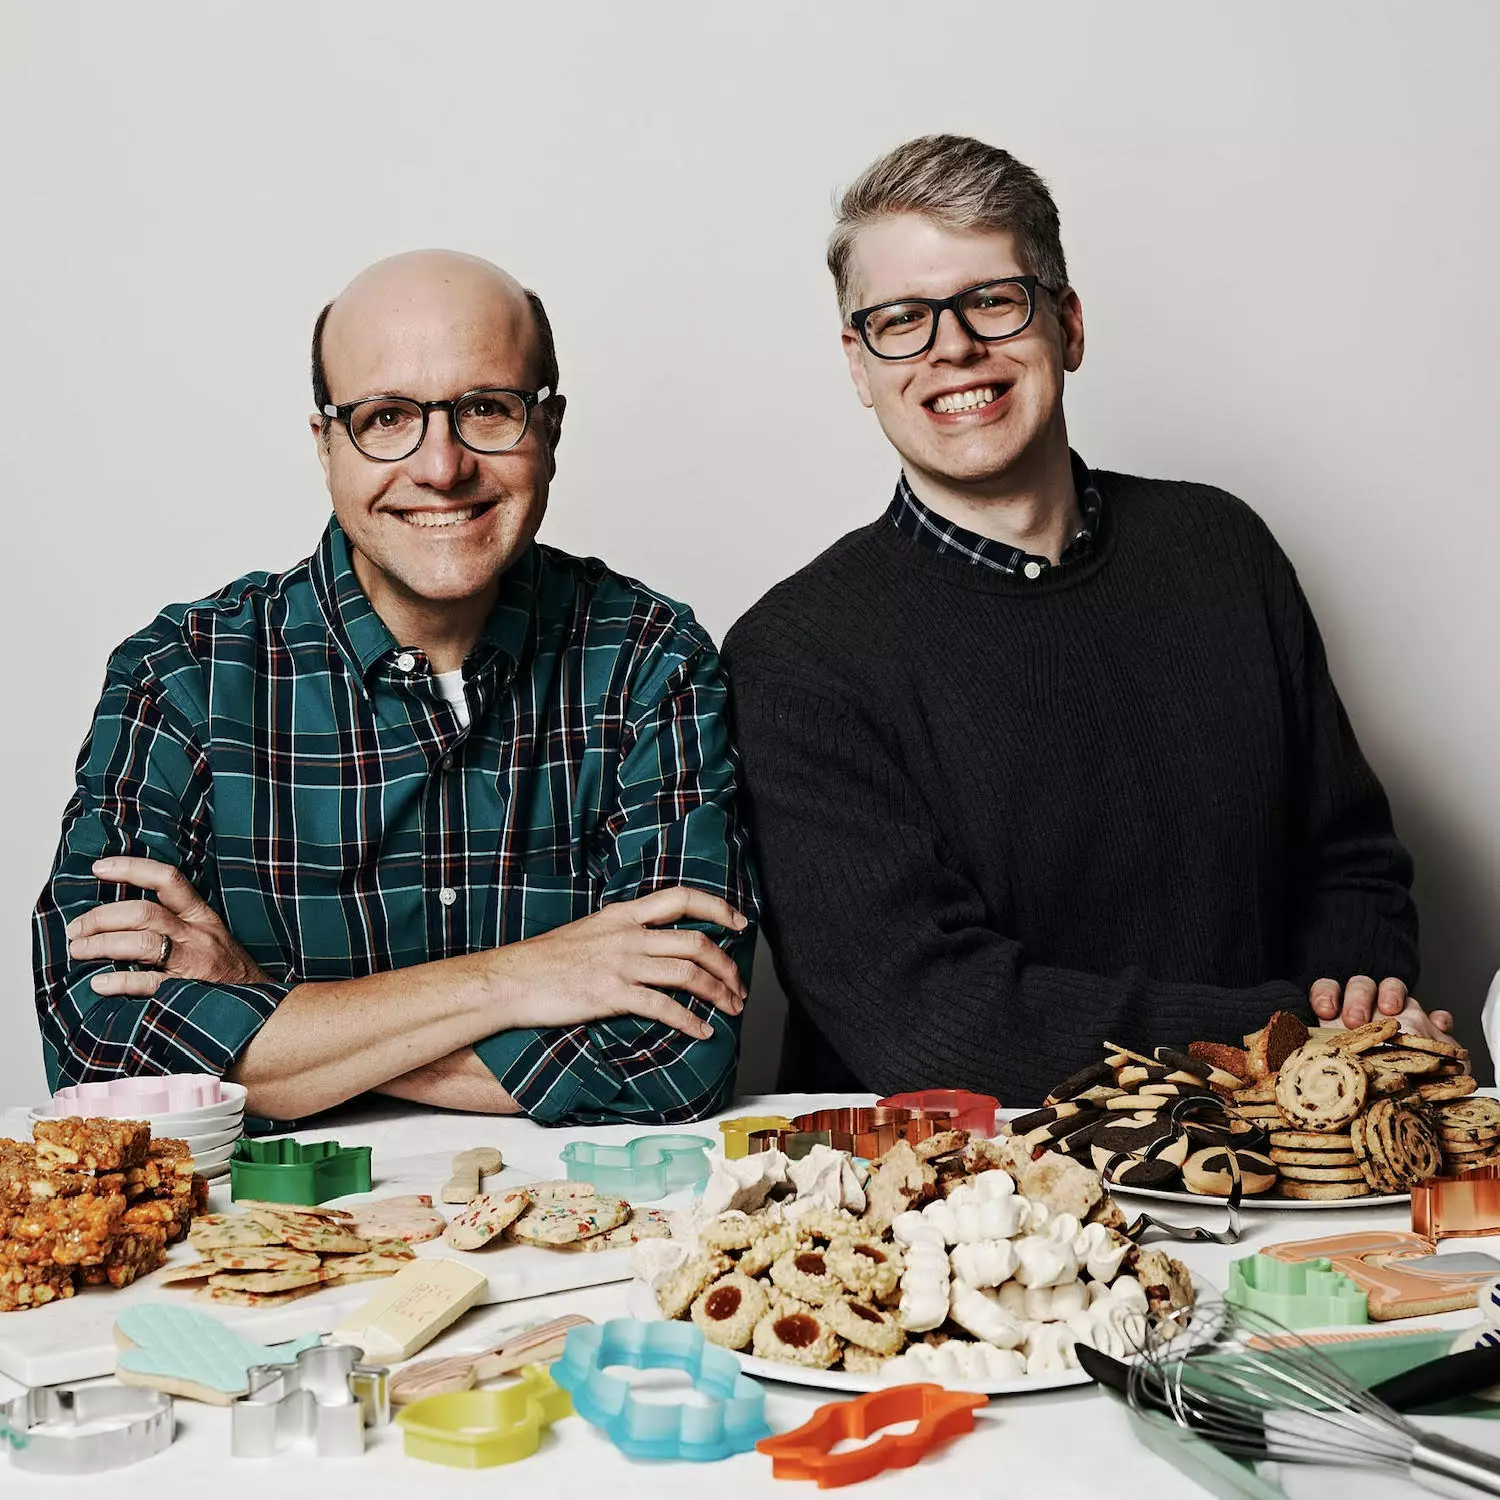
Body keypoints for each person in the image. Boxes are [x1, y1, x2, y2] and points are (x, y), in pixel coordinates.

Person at [721, 135, 1446, 1106]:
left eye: (992, 300)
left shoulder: (1223, 548)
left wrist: (1354, 1011)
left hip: (1276, 1159)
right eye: (901, 319)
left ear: (1067, 323)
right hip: (966, 1212)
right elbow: (936, 1023)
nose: (952, 348)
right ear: (858, 363)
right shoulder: (794, 659)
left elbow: (1348, 858)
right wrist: (1285, 1038)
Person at [33, 250, 756, 1126]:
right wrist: (517, 978)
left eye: (487, 409)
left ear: (552, 428)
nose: (442, 466)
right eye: (386, 418)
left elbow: (674, 1060)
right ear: (326, 445)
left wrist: (265, 1007)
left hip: (583, 1248)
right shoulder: (182, 673)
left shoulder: (651, 659)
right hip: (260, 1249)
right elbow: (105, 1052)